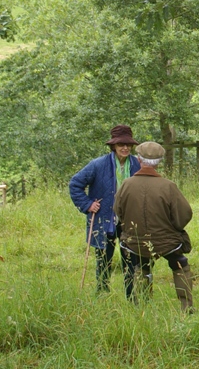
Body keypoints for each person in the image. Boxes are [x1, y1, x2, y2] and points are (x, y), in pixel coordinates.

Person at [114, 142, 195, 311]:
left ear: (138, 159)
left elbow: (118, 211)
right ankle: (186, 307)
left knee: (142, 264)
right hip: (167, 241)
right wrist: (174, 228)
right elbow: (184, 214)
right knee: (180, 262)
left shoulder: (126, 184)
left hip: (135, 241)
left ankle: (143, 307)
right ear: (159, 162)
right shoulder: (168, 186)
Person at [69, 124, 141, 293]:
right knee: (103, 259)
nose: (125, 148)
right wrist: (87, 204)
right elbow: (75, 184)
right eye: (121, 144)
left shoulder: (137, 165)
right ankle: (102, 292)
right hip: (104, 219)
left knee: (131, 259)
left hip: (129, 220)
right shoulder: (98, 164)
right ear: (113, 146)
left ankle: (131, 294)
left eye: (128, 144)